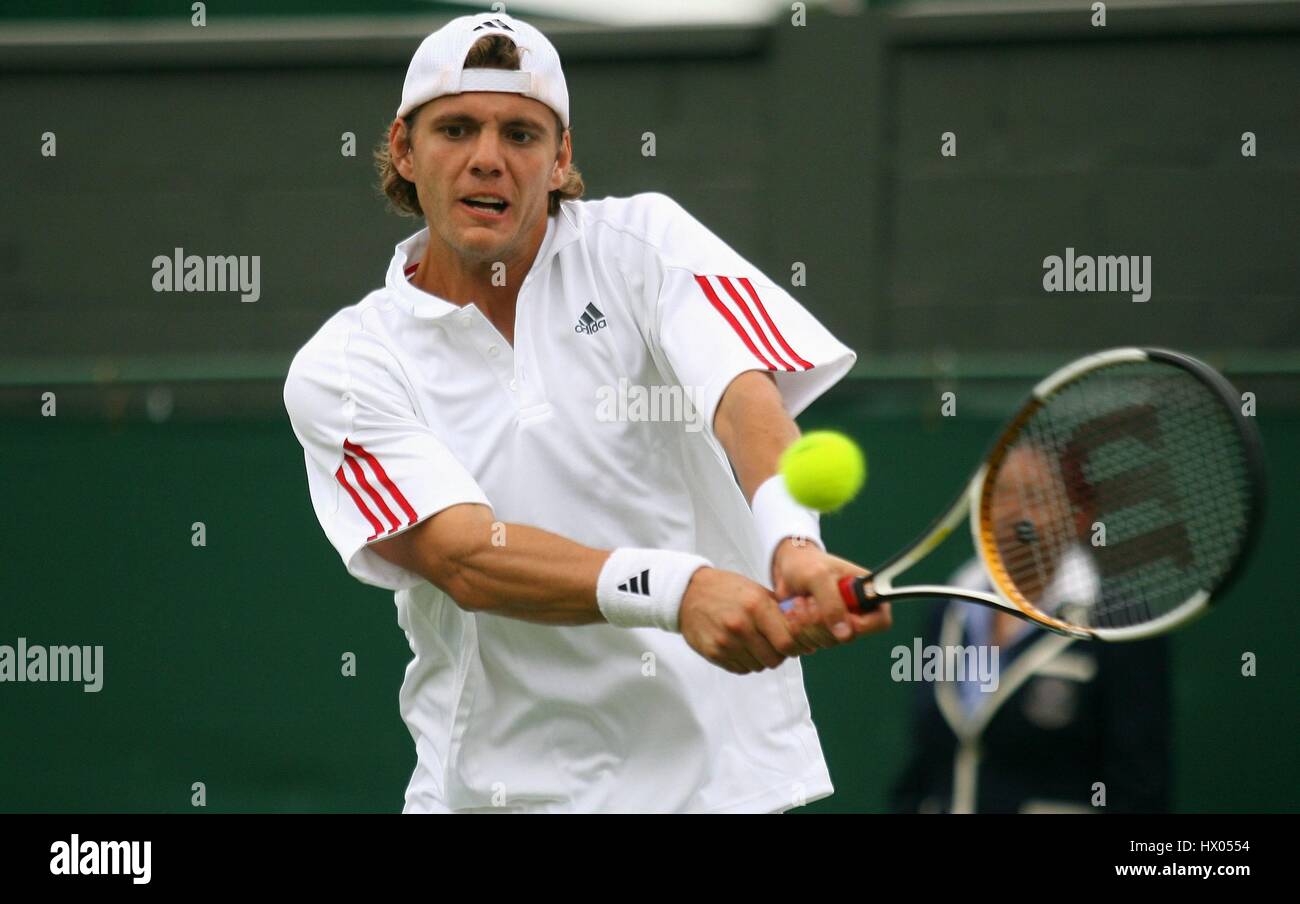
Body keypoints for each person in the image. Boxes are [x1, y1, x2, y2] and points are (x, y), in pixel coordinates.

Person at [282, 12, 891, 813]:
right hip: (496, 795)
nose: (488, 159)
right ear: (404, 149)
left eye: (522, 134)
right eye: (456, 129)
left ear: (561, 156)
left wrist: (795, 543)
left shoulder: (648, 243)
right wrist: (681, 589)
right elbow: (466, 557)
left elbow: (745, 405)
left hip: (713, 790)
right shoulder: (346, 364)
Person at [891, 444, 1172, 813]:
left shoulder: (1121, 627)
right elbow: (924, 768)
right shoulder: (947, 613)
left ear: (1079, 515)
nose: (1012, 512)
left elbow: (1140, 788)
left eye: (1035, 497)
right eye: (1000, 494)